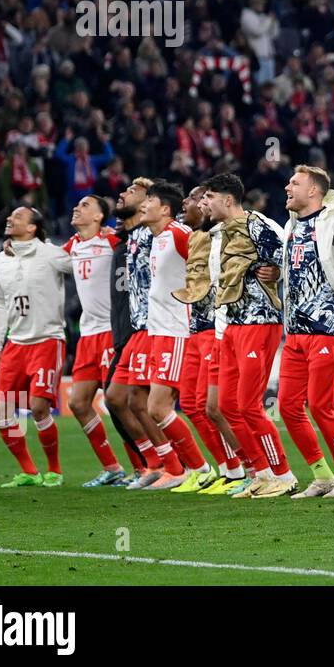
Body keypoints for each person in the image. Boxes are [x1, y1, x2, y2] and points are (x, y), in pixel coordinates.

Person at [202, 172, 295, 498]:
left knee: (249, 405)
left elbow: (289, 256)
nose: (204, 202)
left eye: (209, 196)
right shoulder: (215, 235)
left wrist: (279, 271)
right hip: (228, 324)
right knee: (227, 405)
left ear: (228, 199)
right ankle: (262, 472)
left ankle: (284, 474)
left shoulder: (260, 225)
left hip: (258, 321)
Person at [279, 166, 334, 498]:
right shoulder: (291, 225)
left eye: (294, 182)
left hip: (328, 327)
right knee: (287, 406)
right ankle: (322, 475)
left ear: (314, 191)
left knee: (320, 405)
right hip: (295, 331)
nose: (287, 186)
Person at [107, 178, 187, 490]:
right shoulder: (131, 234)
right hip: (143, 324)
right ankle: (157, 463)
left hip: (163, 325)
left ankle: (177, 465)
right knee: (119, 398)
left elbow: (188, 236)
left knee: (146, 402)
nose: (127, 196)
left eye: (138, 194)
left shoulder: (165, 231)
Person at [0, 206, 74, 487]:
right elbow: (0, 303)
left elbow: (81, 263)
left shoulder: (51, 255)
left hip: (47, 340)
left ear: (32, 228)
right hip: (15, 344)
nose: (10, 219)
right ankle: (29, 471)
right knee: (0, 410)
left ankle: (54, 470)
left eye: (18, 217)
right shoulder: (0, 260)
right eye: (10, 216)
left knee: (39, 407)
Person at [137, 180, 211, 490]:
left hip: (177, 330)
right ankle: (196, 469)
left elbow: (206, 265)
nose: (143, 204)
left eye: (149, 200)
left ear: (164, 209)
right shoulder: (157, 238)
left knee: (160, 407)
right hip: (158, 330)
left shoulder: (180, 235)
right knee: (160, 407)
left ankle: (201, 468)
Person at [173, 185, 246, 495]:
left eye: (198, 198)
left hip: (215, 328)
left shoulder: (218, 233)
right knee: (191, 404)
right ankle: (229, 469)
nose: (192, 204)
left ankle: (245, 468)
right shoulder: (196, 235)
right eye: (194, 199)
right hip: (196, 327)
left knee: (214, 406)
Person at [61, 195, 128, 487]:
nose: (77, 207)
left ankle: (148, 466)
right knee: (77, 403)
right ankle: (112, 467)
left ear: (100, 217)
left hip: (111, 333)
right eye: (77, 204)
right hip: (87, 334)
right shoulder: (71, 246)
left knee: (118, 403)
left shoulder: (112, 243)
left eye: (85, 205)